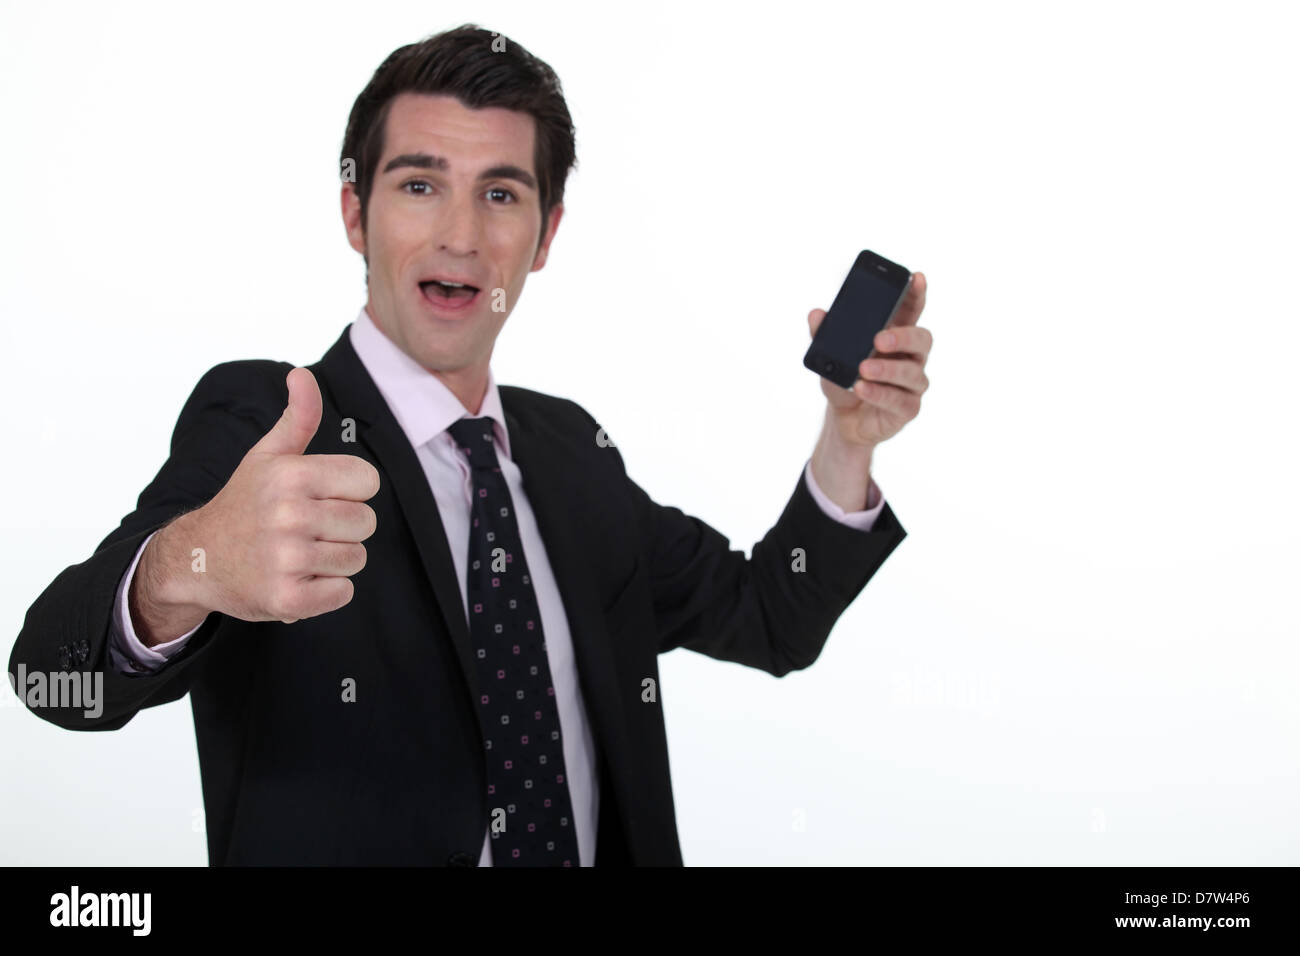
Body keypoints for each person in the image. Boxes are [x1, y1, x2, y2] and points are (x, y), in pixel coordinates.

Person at [9, 23, 931, 866]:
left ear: (545, 235)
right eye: (418, 185)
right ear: (353, 214)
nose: (459, 235)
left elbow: (770, 619)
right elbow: (50, 682)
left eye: (500, 192)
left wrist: (848, 441)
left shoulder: (571, 451)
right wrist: (189, 566)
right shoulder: (267, 422)